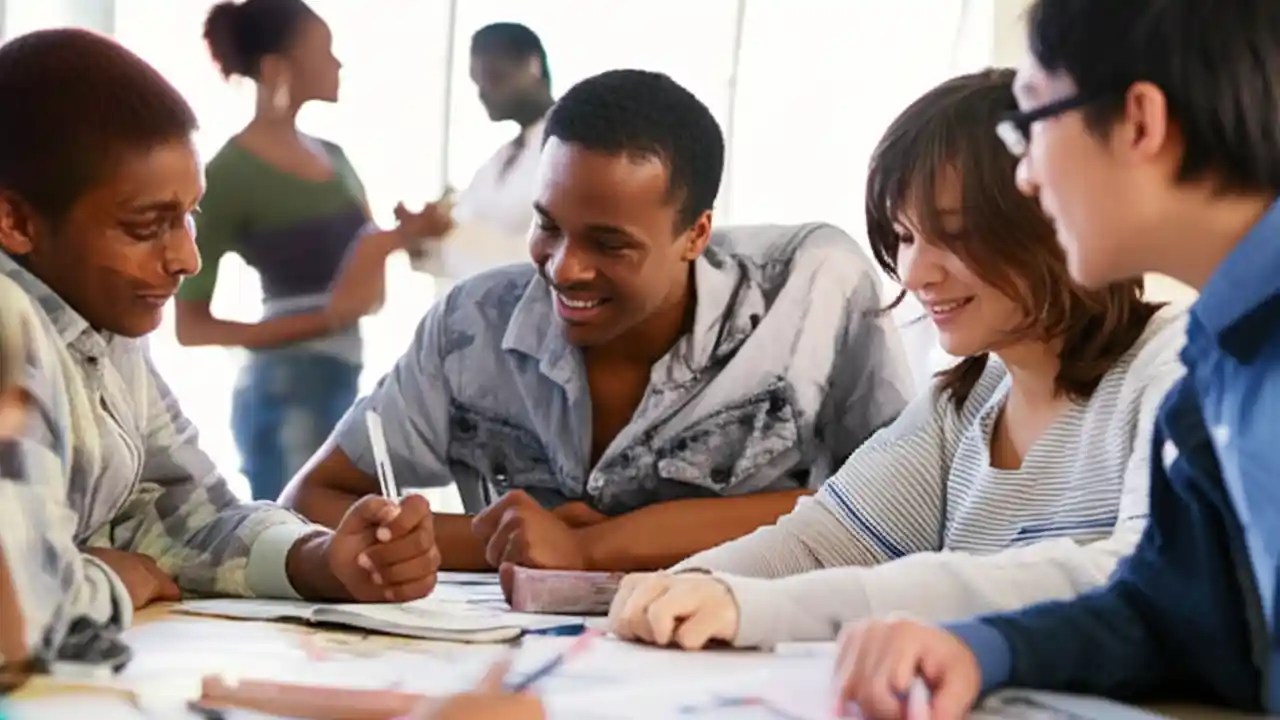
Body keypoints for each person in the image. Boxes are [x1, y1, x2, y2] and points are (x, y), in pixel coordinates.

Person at [608, 69, 1186, 651]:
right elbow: (821, 541)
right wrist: (689, 585)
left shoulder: (1172, 371)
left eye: (954, 234)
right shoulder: (961, 404)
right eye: (905, 237)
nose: (914, 273)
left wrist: (759, 607)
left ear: (1054, 210)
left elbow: (1133, 577)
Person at [832, 1, 1280, 718]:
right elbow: (1171, 618)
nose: (1026, 179)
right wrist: (983, 648)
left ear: (1139, 122)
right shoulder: (1214, 372)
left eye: (1031, 125)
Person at [281, 69, 911, 572]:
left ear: (696, 234)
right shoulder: (471, 327)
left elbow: (899, 506)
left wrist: (602, 545)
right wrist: (503, 541)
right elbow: (309, 502)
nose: (565, 269)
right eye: (548, 226)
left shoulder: (811, 288)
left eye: (610, 245)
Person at [0, 28, 439, 662]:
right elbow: (17, 603)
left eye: (189, 217)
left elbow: (185, 513)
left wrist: (324, 558)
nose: (186, 257)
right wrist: (116, 578)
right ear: (14, 220)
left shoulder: (102, 325)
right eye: (147, 226)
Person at [175, 0, 438, 500]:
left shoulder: (335, 157)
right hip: (285, 389)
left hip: (345, 375)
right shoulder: (226, 173)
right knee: (294, 534)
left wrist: (409, 234)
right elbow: (191, 327)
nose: (338, 64)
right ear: (278, 68)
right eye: (325, 51)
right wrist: (326, 318)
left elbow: (362, 263)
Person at [409, 22, 557, 281]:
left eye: (494, 77)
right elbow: (462, 261)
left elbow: (553, 255)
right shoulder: (497, 162)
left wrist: (452, 232)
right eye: (477, 83)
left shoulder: (567, 149)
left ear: (532, 66)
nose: (483, 93)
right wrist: (422, 239)